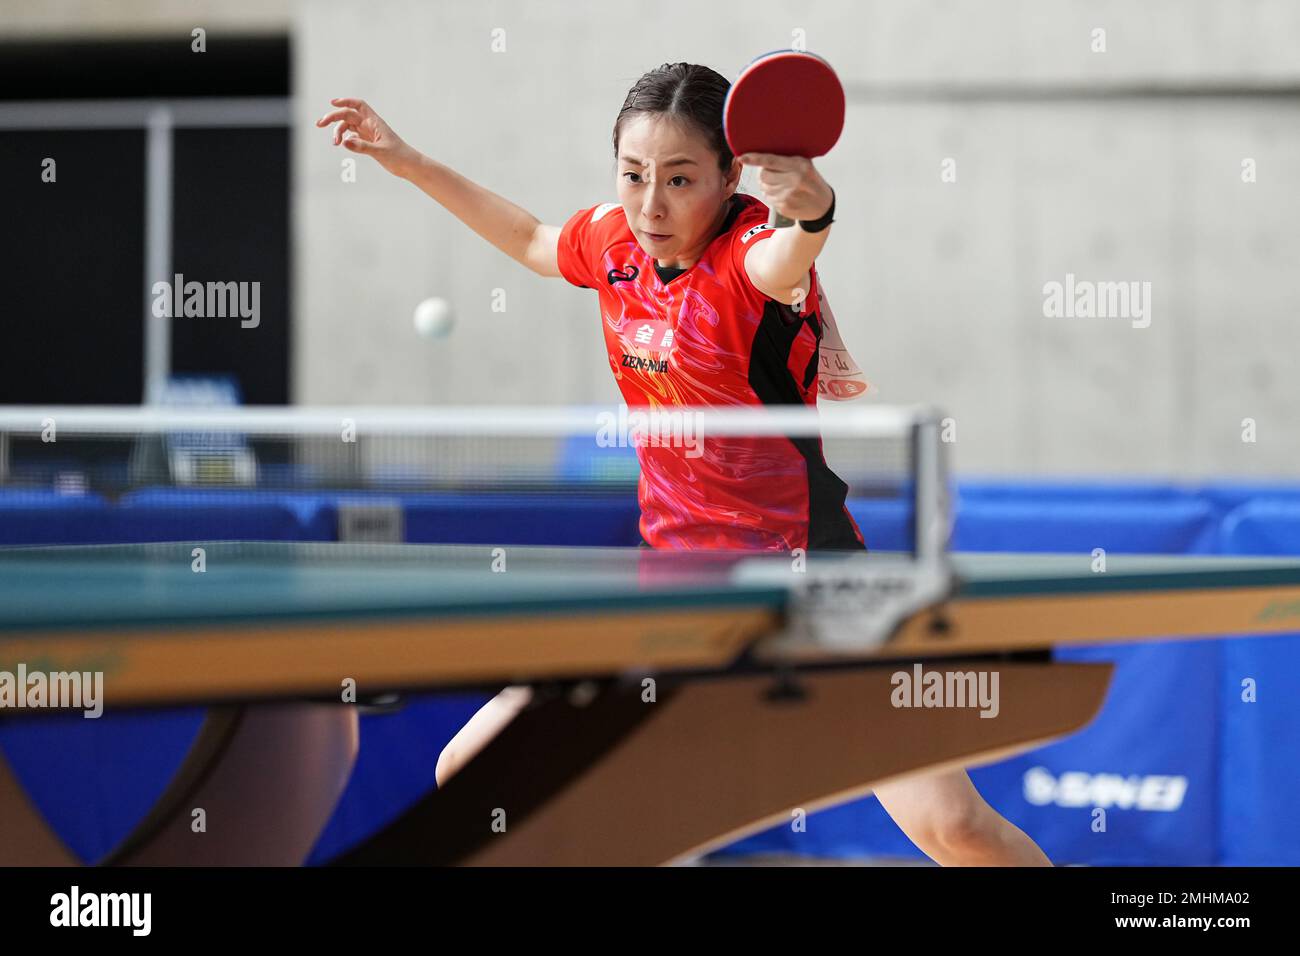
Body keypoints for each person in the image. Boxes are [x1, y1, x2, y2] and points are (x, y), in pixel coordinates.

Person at [317, 62, 1050, 866]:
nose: (651, 205)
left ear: (730, 174)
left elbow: (793, 249)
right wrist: (406, 159)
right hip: (678, 589)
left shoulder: (750, 263)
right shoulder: (611, 245)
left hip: (814, 590)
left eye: (679, 179)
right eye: (633, 176)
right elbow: (530, 238)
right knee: (472, 770)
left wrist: (813, 211)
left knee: (954, 827)